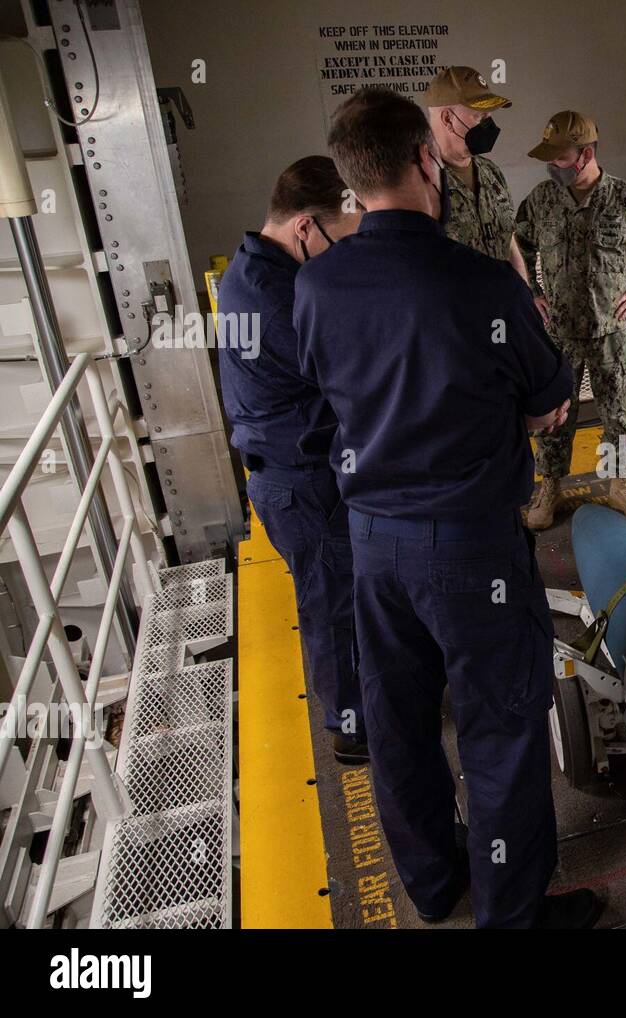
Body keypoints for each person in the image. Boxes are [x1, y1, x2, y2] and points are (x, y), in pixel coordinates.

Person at [295, 86, 601, 929]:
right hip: (470, 548)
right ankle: (512, 914)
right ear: (427, 160)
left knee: (399, 726)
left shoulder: (316, 286)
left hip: (371, 546)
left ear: (354, 179)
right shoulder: (484, 285)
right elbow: (549, 399)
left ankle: (433, 884)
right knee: (499, 729)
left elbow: (326, 399)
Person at [216, 155, 367, 765]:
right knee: (332, 604)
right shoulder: (276, 300)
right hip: (299, 482)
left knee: (337, 596)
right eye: (339, 241)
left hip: (289, 472)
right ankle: (352, 729)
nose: (341, 257)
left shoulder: (253, 267)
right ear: (306, 227)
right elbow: (349, 379)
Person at [516, 110, 626, 530]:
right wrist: (532, 293)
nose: (551, 165)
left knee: (618, 415)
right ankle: (550, 486)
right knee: (556, 414)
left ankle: (620, 484)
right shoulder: (541, 199)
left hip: (613, 333)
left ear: (585, 154)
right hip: (558, 335)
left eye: (558, 157)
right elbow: (517, 245)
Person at [424, 65, 531, 281]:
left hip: (502, 310)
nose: (488, 123)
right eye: (478, 115)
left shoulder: (491, 173)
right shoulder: (419, 181)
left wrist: (524, 300)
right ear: (447, 119)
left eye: (488, 115)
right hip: (456, 312)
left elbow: (509, 244)